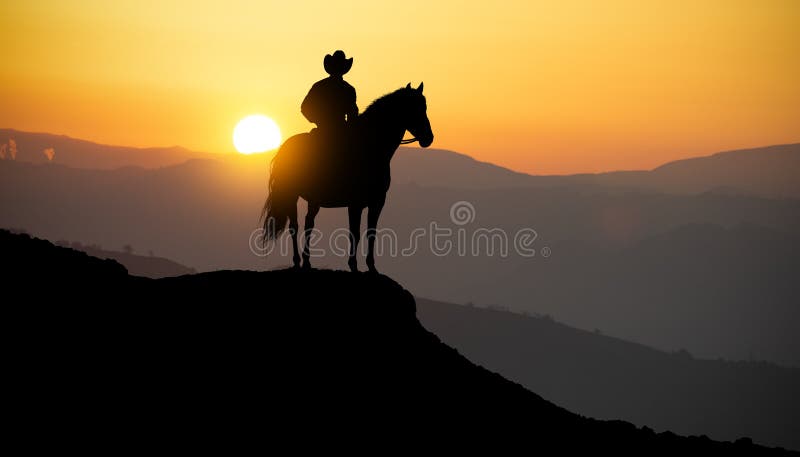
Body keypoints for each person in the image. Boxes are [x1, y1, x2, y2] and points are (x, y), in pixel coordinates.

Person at [301, 50, 358, 141]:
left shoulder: (319, 86)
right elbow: (353, 115)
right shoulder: (349, 89)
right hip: (337, 131)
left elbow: (305, 107)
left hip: (329, 130)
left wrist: (319, 121)